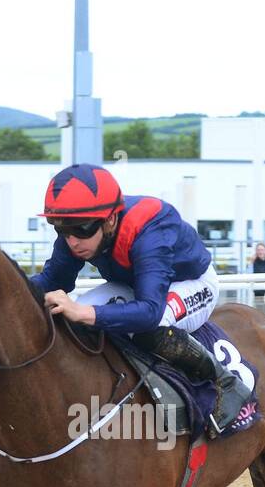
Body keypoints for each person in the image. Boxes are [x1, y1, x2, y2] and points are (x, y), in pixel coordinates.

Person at [28, 163, 252, 437]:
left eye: (82, 229)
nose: (72, 240)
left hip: (190, 284)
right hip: (135, 285)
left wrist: (85, 312)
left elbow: (149, 311)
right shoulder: (76, 233)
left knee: (150, 329)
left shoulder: (151, 228)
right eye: (60, 228)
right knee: (68, 319)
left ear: (110, 219)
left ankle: (225, 381)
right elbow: (51, 282)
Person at [250, 241, 265, 310]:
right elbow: (248, 274)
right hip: (258, 292)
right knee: (260, 311)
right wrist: (251, 262)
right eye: (258, 250)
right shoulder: (253, 262)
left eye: (262, 250)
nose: (260, 252)